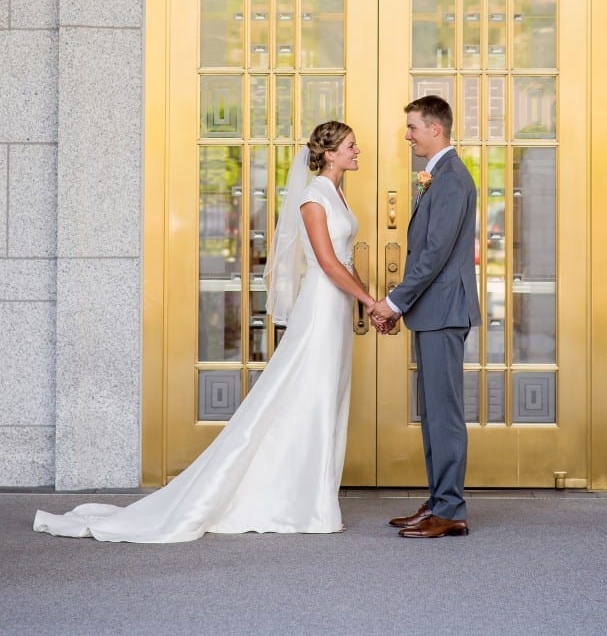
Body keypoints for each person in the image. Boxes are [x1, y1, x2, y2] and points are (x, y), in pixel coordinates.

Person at [33, 121, 375, 542]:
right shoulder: (313, 197)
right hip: (321, 309)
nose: (358, 151)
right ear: (330, 153)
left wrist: (367, 301)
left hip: (338, 309)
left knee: (326, 397)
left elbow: (345, 256)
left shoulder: (339, 193)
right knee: (310, 396)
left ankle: (313, 497)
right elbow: (326, 262)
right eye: (351, 146)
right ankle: (307, 506)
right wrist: (373, 303)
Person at [369, 96, 481, 539]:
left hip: (443, 310)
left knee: (444, 413)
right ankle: (439, 499)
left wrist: (394, 303)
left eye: (413, 127)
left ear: (435, 128)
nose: (408, 134)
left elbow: (433, 254)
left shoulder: (452, 178)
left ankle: (451, 508)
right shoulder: (441, 175)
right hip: (433, 310)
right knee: (433, 412)